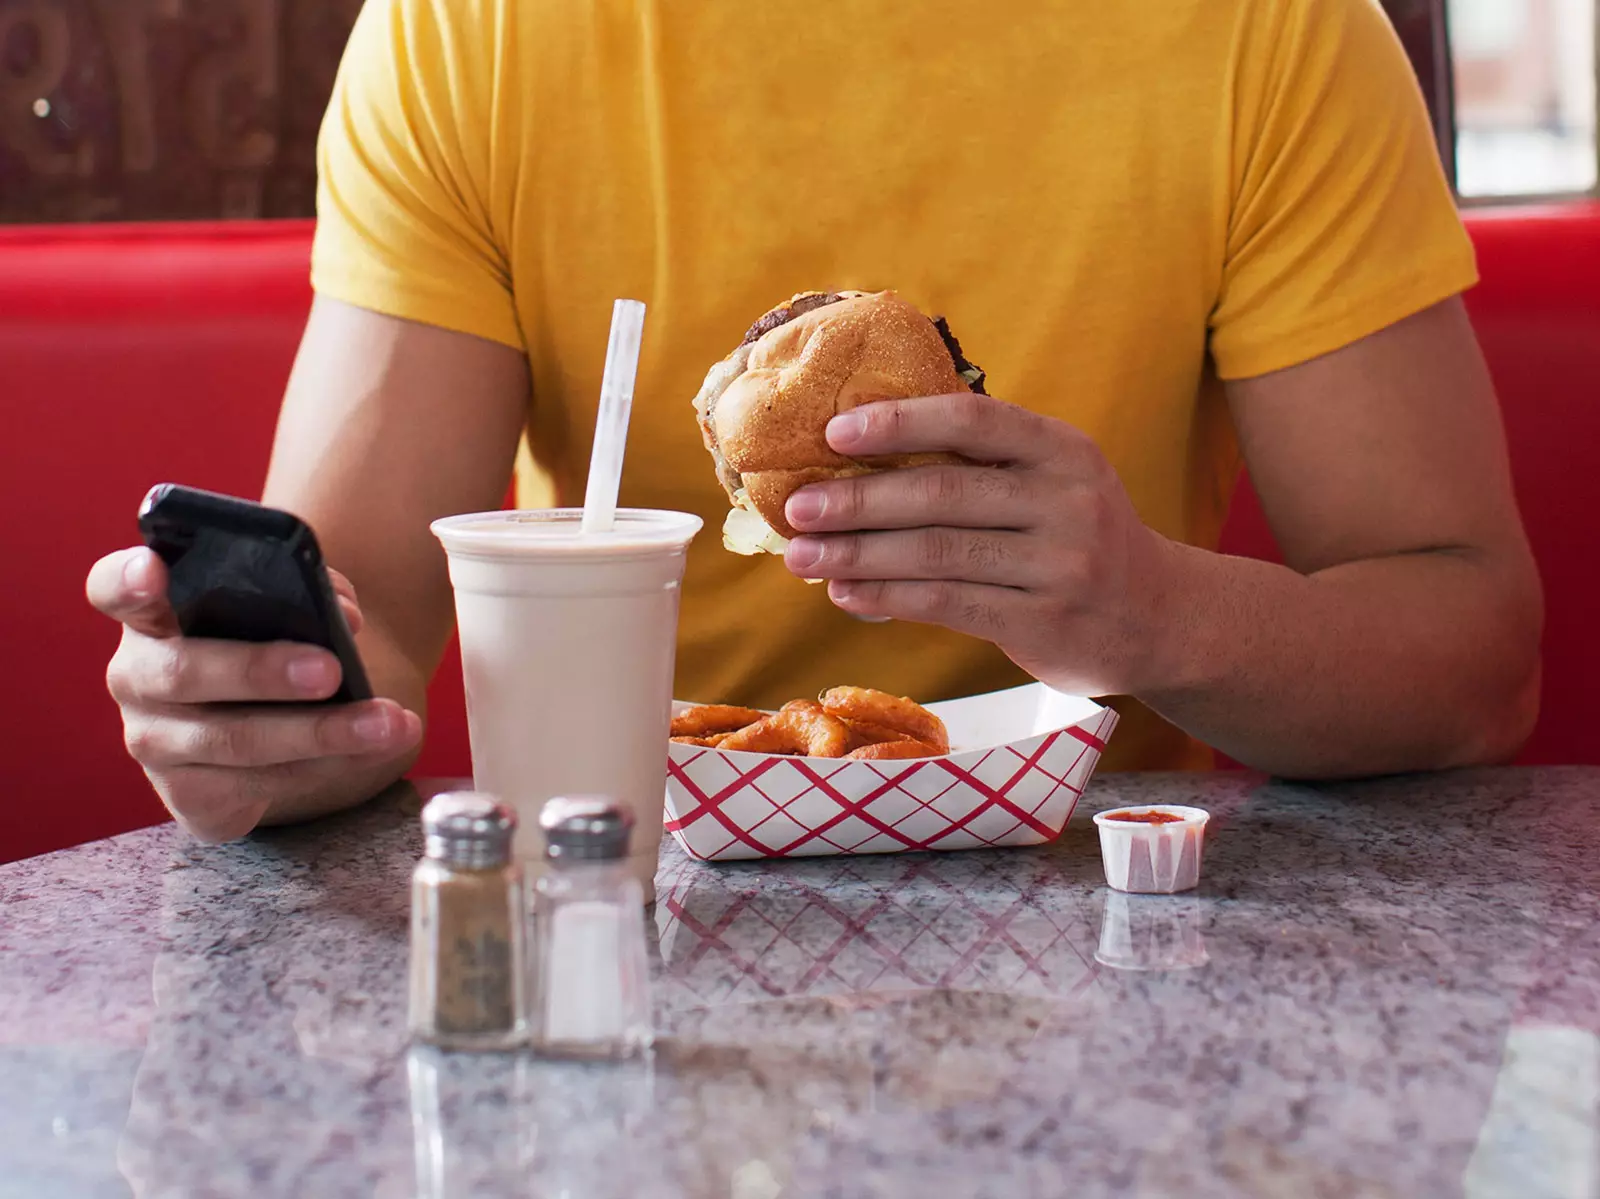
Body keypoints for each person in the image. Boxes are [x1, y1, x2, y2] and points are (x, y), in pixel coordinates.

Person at [87, 0, 1542, 843]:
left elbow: (1474, 662)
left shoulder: (1267, 31)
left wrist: (1154, 610)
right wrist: (264, 708)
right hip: (613, 909)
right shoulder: (474, 30)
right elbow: (367, 634)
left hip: (1102, 926)